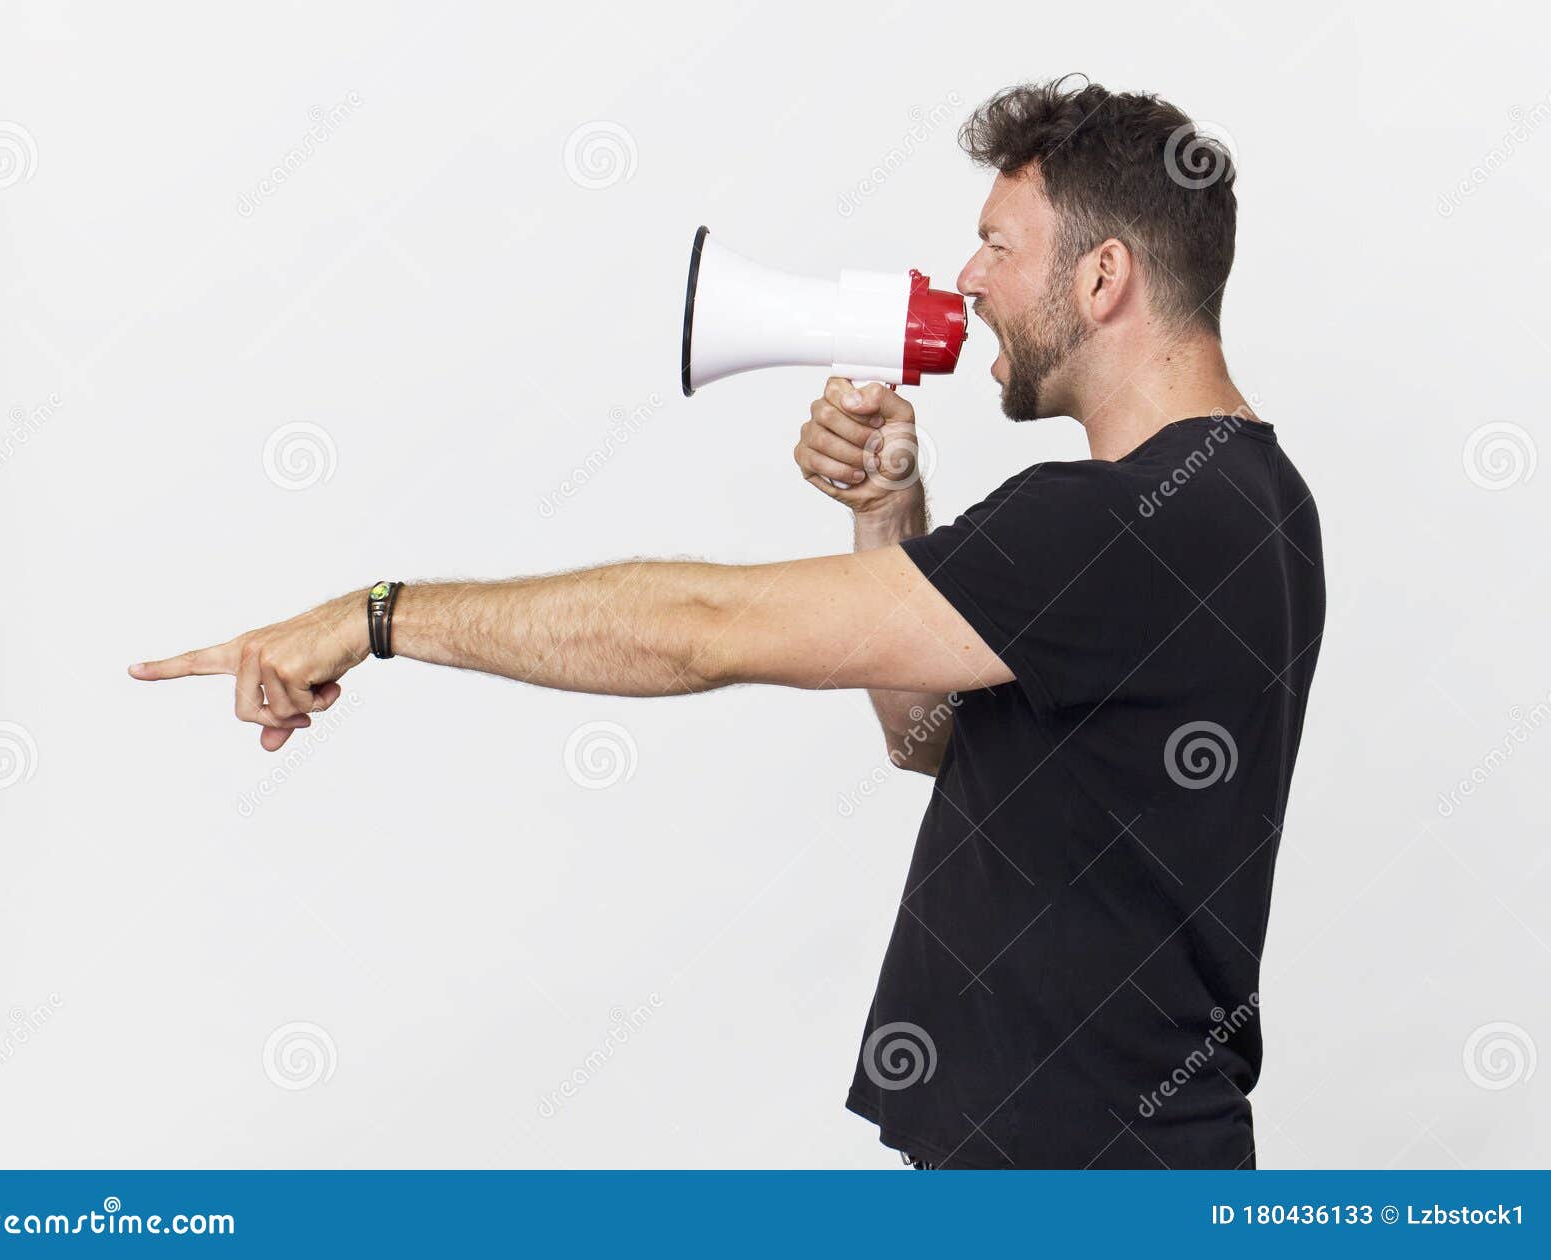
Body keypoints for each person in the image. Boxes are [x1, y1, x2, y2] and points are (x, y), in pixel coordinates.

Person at [131, 77, 1324, 1170]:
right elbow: (930, 741)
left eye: (998, 245)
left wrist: (375, 615)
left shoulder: (1113, 523)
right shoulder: (1251, 500)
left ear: (1103, 277)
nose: (965, 279)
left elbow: (698, 630)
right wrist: (887, 507)